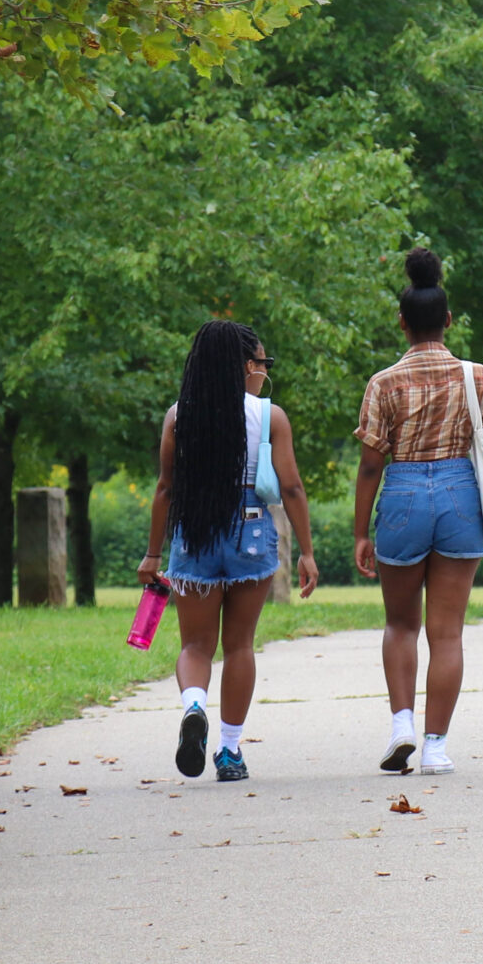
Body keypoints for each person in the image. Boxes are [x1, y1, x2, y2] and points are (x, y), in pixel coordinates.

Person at [351, 248, 483, 775]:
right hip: (457, 495)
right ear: (447, 320)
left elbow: (371, 465)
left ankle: (401, 724)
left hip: (400, 493)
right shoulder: (479, 376)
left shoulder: (383, 383)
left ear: (402, 323)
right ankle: (437, 748)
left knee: (401, 624)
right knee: (447, 633)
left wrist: (361, 532)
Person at [138, 319, 320, 783]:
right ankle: (229, 751)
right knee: (239, 645)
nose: (264, 371)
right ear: (245, 366)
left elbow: (165, 489)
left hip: (194, 532)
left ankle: (193, 705)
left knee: (196, 645)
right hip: (251, 531)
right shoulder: (268, 416)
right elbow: (293, 488)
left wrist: (153, 555)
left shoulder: (179, 415)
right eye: (263, 362)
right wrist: (306, 551)